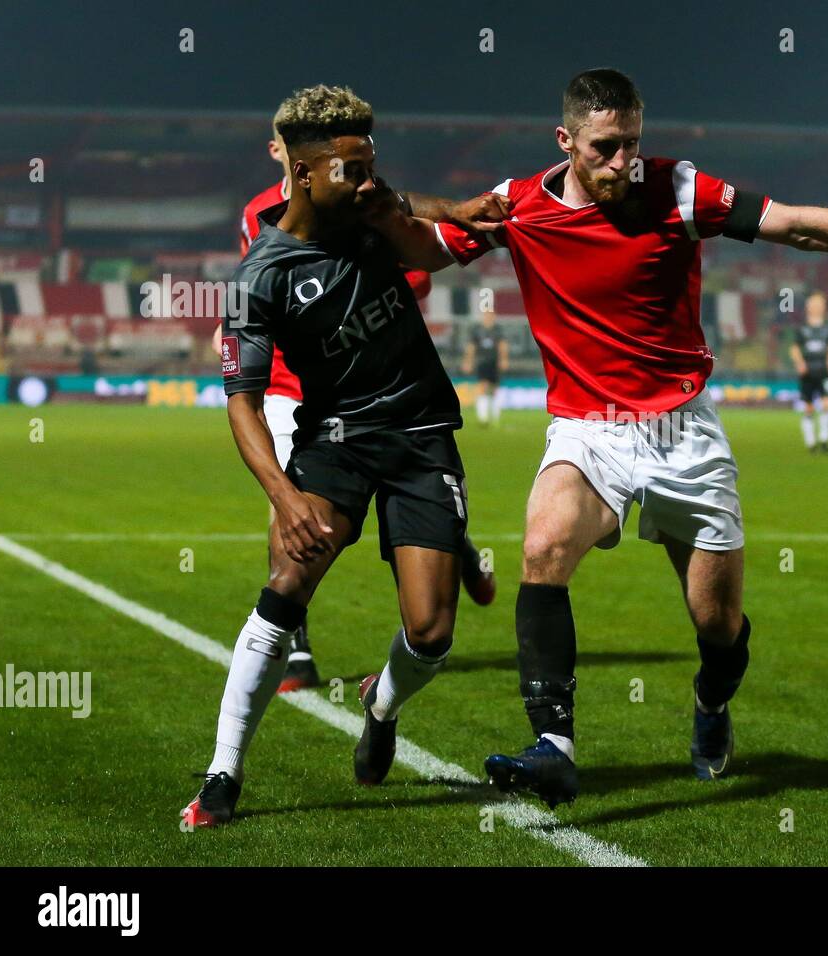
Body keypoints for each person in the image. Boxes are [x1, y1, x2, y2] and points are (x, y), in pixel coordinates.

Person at [374, 68, 828, 807]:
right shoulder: (516, 205)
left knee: (717, 624)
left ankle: (710, 702)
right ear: (565, 140)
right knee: (542, 548)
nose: (621, 162)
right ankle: (554, 746)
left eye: (632, 143)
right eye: (605, 147)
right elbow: (421, 250)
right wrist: (363, 196)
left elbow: (794, 224)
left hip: (683, 432)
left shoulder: (679, 190)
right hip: (587, 429)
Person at [181, 85, 504, 827]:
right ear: (303, 174)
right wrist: (286, 498)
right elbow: (241, 400)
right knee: (286, 580)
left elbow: (402, 200)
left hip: (422, 434)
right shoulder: (261, 276)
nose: (368, 184)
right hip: (334, 440)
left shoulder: (363, 204)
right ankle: (223, 774)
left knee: (431, 633)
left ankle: (381, 704)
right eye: (352, 171)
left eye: (370, 167)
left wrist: (457, 212)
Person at [790, 291, 828, 453]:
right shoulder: (802, 328)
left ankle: (824, 440)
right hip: (808, 371)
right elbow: (795, 348)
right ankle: (811, 443)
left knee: (827, 403)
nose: (817, 307)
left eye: (820, 304)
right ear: (808, 307)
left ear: (824, 307)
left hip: (824, 371)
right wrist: (800, 362)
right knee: (809, 407)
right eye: (814, 304)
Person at [462, 308, 509, 426]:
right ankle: (483, 418)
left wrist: (503, 359)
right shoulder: (477, 330)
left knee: (494, 390)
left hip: (494, 362)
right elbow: (471, 347)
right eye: (486, 315)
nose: (488, 317)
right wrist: (468, 362)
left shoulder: (498, 330)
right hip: (482, 362)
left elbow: (502, 345)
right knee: (482, 387)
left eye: (491, 315)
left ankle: (494, 418)